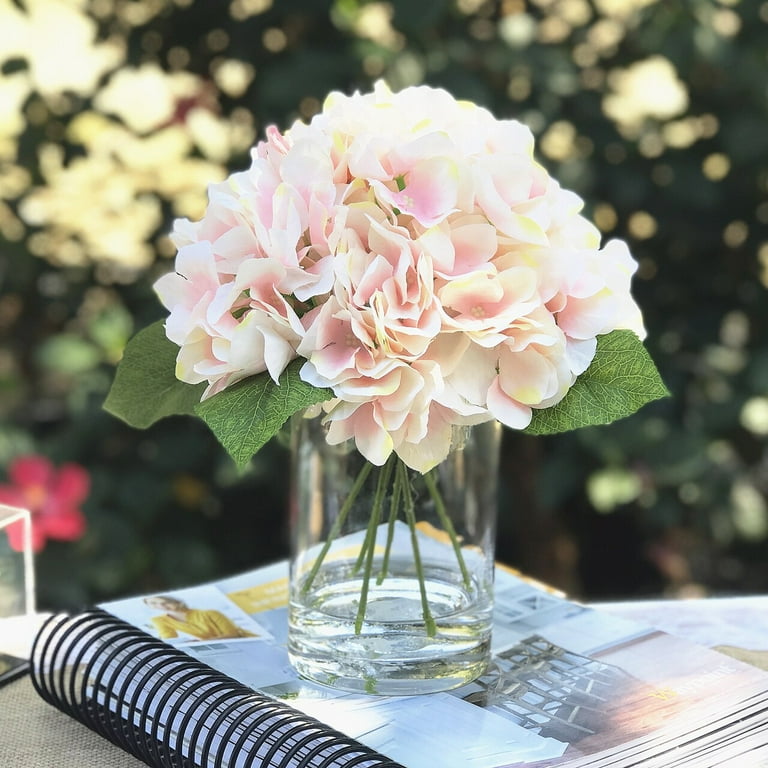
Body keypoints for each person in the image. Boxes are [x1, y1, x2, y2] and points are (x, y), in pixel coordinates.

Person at [143, 595, 257, 641]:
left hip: (247, 639)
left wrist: (202, 641)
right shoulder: (159, 620)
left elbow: (233, 634)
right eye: (153, 603)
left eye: (164, 602)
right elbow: (170, 639)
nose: (161, 606)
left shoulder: (210, 613)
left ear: (173, 601)